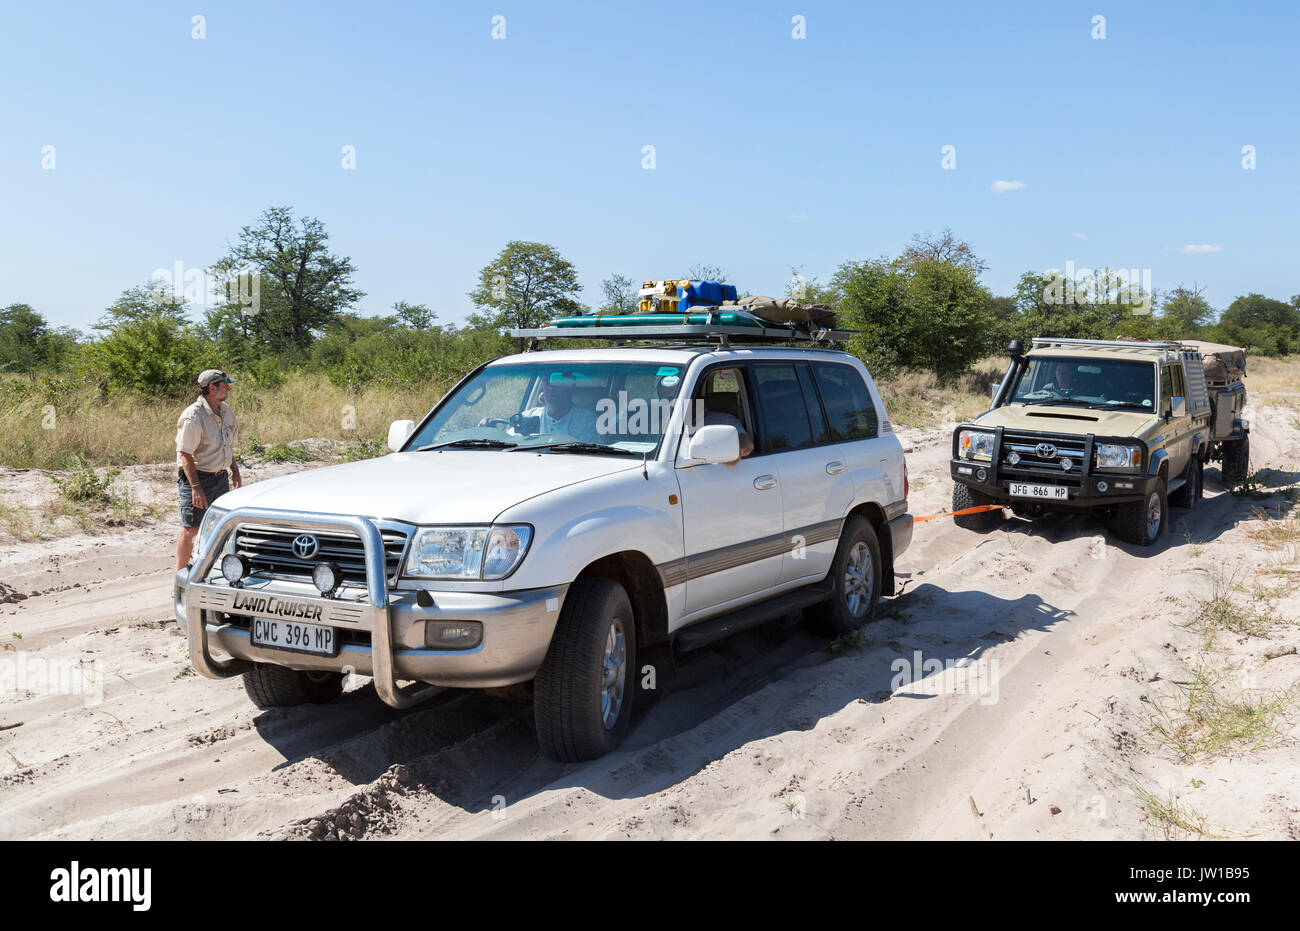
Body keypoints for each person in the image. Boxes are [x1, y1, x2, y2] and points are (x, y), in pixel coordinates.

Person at [175, 370, 241, 570]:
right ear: (212, 388)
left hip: (220, 477)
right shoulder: (194, 415)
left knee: (220, 526)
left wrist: (234, 470)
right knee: (191, 528)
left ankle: (208, 570)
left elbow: (226, 445)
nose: (228, 388)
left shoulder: (226, 411)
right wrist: (195, 487)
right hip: (197, 478)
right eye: (225, 385)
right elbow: (185, 454)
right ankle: (180, 576)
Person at [519, 376, 600, 443]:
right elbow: (510, 442)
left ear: (570, 387)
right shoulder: (527, 417)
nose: (550, 388)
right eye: (546, 382)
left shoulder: (587, 421)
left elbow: (589, 457)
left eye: (556, 383)